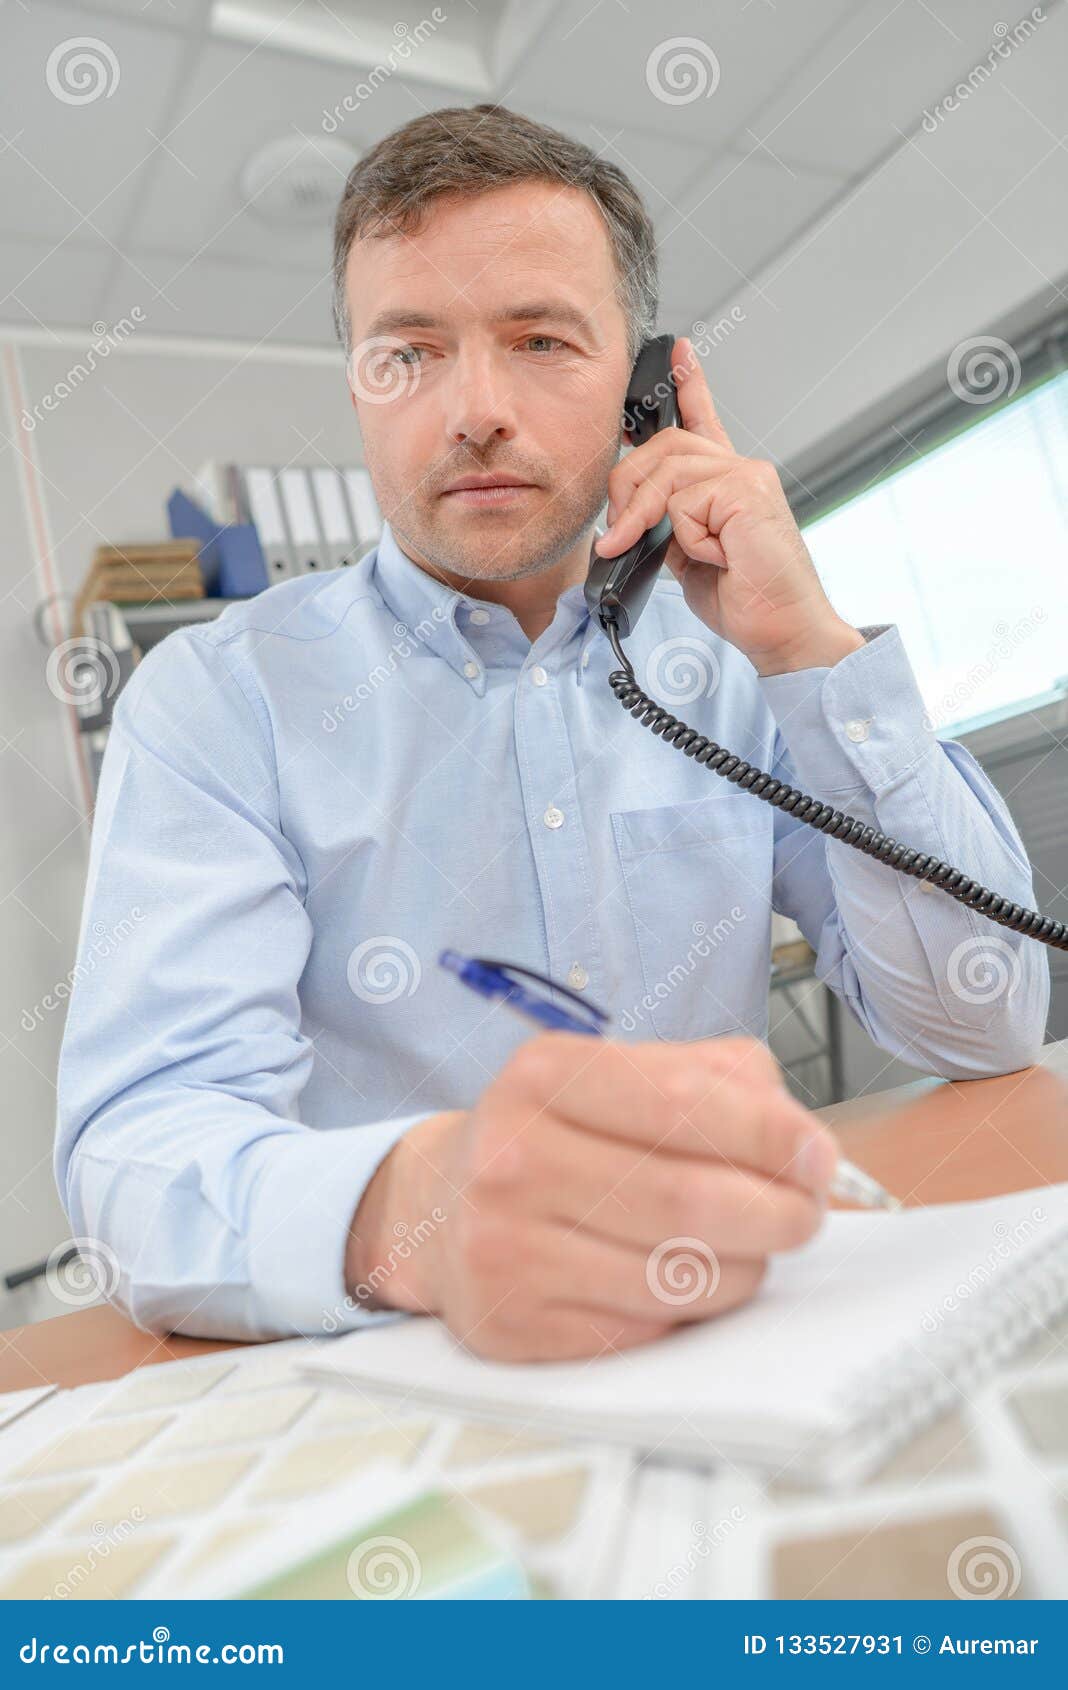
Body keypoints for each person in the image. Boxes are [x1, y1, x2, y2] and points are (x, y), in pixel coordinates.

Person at [55, 104, 1048, 1354]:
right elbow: (140, 1158)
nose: (474, 408)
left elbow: (984, 1018)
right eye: (407, 352)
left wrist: (809, 653)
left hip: (747, 1327)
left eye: (538, 339)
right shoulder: (216, 699)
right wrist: (415, 1209)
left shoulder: (740, 661)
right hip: (403, 1365)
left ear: (648, 387)